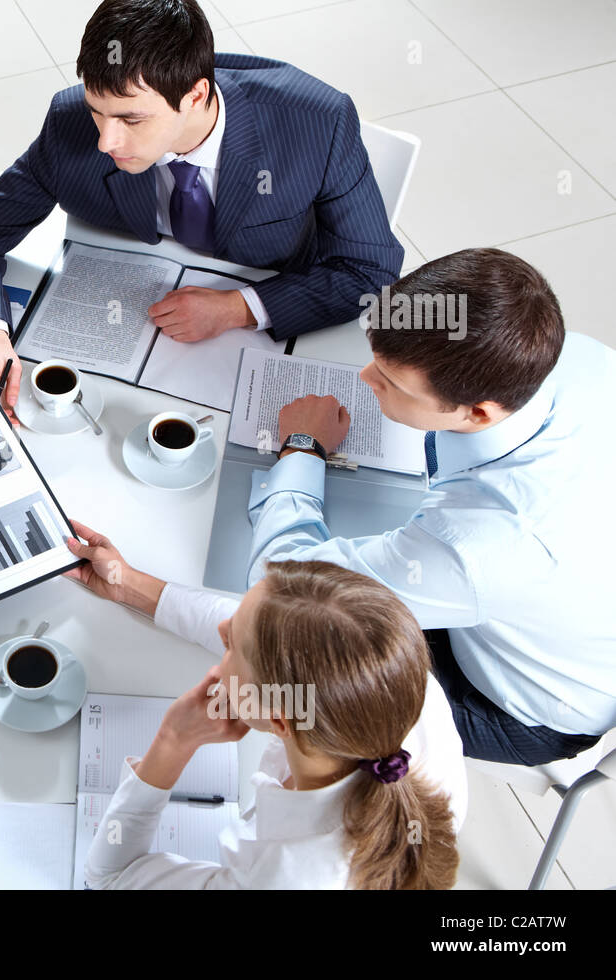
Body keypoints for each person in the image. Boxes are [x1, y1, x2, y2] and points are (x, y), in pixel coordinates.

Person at [0, 0, 401, 419]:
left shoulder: (318, 123)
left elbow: (370, 271)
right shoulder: (70, 122)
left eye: (131, 119)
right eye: (98, 111)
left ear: (196, 95)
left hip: (265, 332)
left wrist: (239, 308)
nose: (105, 141)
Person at [247, 248, 616, 766]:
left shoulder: (480, 544)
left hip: (516, 707)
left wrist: (303, 448)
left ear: (478, 413)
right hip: (568, 612)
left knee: (303, 663)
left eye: (390, 381)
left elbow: (283, 586)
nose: (363, 379)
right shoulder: (578, 356)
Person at [65, 522, 466, 889]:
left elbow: (108, 876)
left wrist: (173, 740)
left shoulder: (281, 878)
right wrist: (125, 582)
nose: (221, 627)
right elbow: (281, 634)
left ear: (278, 718)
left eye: (229, 645)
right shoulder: (391, 675)